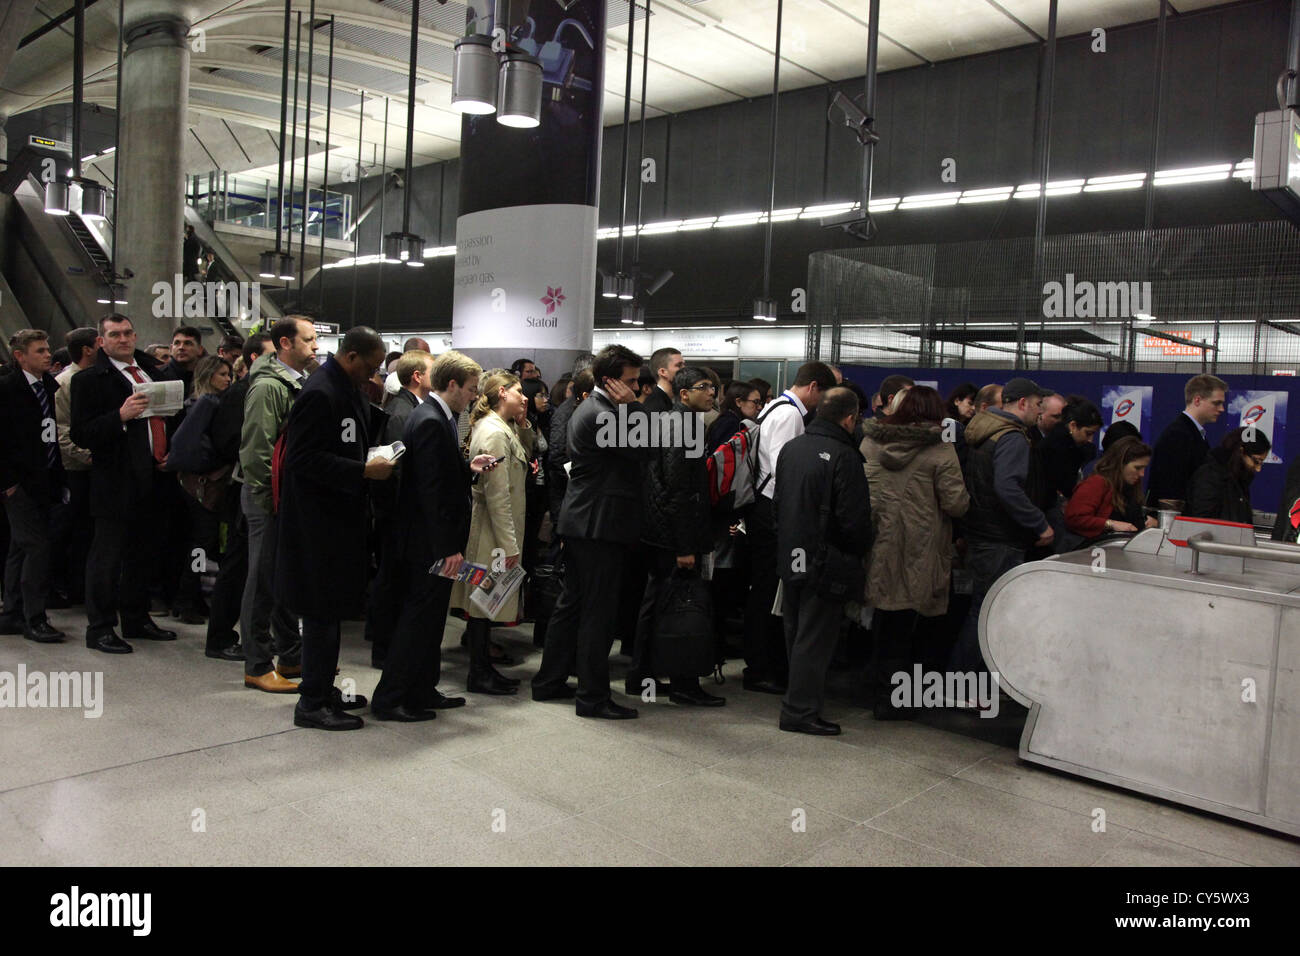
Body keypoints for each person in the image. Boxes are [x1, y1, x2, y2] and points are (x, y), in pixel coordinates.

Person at [277, 327, 395, 731]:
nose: (375, 374)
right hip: (316, 525)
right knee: (321, 615)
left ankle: (321, 688)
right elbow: (303, 460)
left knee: (331, 614)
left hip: (339, 520)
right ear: (350, 356)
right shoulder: (320, 393)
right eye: (372, 365)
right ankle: (311, 702)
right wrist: (361, 469)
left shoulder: (346, 389)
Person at [371, 351, 497, 720]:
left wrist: (466, 468)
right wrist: (447, 549)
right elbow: (429, 490)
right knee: (417, 621)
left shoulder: (437, 416)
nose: (474, 396)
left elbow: (439, 474)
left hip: (431, 542)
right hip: (429, 545)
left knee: (430, 622)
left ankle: (422, 689)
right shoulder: (429, 420)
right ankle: (391, 698)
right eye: (471, 389)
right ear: (452, 384)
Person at [532, 345, 653, 718]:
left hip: (588, 520)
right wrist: (632, 407)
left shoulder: (597, 409)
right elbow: (645, 449)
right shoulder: (604, 414)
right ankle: (592, 697)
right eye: (631, 382)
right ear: (609, 381)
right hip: (598, 523)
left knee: (573, 606)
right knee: (598, 613)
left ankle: (550, 681)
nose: (637, 389)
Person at [70, 315, 178, 653]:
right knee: (107, 556)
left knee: (144, 551)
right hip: (116, 479)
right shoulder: (90, 380)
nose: (123, 339)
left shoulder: (152, 371)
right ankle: (100, 627)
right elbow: (81, 434)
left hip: (155, 475)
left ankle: (136, 616)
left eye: (128, 332)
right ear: (101, 341)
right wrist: (119, 416)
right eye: (114, 334)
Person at [860, 386, 969, 720]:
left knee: (883, 617)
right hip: (921, 546)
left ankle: (876, 690)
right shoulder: (940, 449)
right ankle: (899, 699)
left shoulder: (869, 442)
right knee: (911, 622)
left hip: (878, 539)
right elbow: (956, 502)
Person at [775, 386, 872, 735]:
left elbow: (779, 502)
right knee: (815, 639)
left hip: (791, 554)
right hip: (825, 560)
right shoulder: (845, 456)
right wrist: (859, 551)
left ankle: (797, 701)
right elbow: (854, 521)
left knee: (796, 634)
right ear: (850, 418)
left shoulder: (792, 448)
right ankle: (800, 711)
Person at [628, 366, 725, 706]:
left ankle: (641, 676)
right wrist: (686, 546)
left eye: (713, 388)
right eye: (704, 388)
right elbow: (679, 490)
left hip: (660, 530)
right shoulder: (684, 426)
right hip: (675, 535)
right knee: (683, 607)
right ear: (684, 394)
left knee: (655, 605)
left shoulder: (671, 422)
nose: (711, 393)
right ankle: (684, 683)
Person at [948, 377, 1053, 683]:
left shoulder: (984, 430)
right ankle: (959, 683)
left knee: (982, 608)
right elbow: (1007, 487)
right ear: (1022, 403)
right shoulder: (1012, 437)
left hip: (981, 531)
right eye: (1037, 405)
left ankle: (965, 681)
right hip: (1001, 537)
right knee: (989, 613)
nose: (1040, 412)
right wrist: (1039, 522)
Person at [743, 361, 837, 695]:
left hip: (763, 506)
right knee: (767, 594)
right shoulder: (790, 415)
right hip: (770, 510)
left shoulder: (776, 408)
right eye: (825, 394)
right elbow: (788, 469)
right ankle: (760, 668)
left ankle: (760, 665)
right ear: (813, 387)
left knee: (765, 591)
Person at [238, 316, 315, 692]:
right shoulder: (268, 386)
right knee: (262, 578)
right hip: (266, 494)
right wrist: (269, 498)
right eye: (309, 339)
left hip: (282, 494)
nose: (315, 346)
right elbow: (256, 449)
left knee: (281, 575)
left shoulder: (294, 381)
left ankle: (291, 655)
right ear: (286, 343)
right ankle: (256, 663)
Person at [451, 370, 530, 694]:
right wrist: (510, 546)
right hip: (492, 536)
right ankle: (479, 673)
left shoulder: (504, 427)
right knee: (483, 604)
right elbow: (497, 496)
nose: (524, 397)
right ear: (501, 394)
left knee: (485, 604)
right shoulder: (494, 433)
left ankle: (483, 668)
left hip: (495, 532)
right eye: (518, 391)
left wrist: (523, 424)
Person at [203, 333, 273, 661]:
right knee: (237, 565)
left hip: (252, 485)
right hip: (241, 488)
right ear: (255, 358)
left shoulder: (263, 390)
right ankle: (219, 636)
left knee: (250, 567)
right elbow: (228, 442)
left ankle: (248, 634)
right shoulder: (242, 393)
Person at [366, 349, 435, 669]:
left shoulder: (413, 409)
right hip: (395, 515)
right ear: (417, 376)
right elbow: (394, 470)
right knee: (391, 578)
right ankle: (384, 646)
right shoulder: (402, 413)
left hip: (400, 514)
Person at [0, 330, 67, 643]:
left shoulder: (49, 386)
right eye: (39, 350)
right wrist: (9, 484)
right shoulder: (7, 389)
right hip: (18, 483)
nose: (47, 354)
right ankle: (34, 617)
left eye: (47, 348)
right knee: (37, 548)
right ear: (20, 356)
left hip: (44, 479)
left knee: (20, 548)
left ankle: (12, 612)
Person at [166, 355, 233, 624]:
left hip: (196, 482)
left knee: (201, 544)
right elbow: (185, 443)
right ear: (208, 377)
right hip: (201, 485)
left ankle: (189, 597)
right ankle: (187, 598)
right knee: (201, 544)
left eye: (229, 374)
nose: (227, 379)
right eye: (222, 375)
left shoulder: (201, 403)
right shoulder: (206, 403)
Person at [48, 327, 99, 608]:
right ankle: (61, 584)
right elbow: (61, 430)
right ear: (88, 349)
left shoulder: (97, 379)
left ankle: (79, 586)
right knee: (69, 531)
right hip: (74, 469)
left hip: (92, 469)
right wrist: (88, 456)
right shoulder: (66, 383)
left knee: (86, 533)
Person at [1146, 374, 1228, 506]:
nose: (1221, 409)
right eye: (1216, 403)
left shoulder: (1192, 433)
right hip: (1175, 520)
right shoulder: (1177, 435)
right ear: (1197, 400)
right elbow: (1169, 485)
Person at [1065, 437, 1156, 546]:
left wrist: (1146, 522)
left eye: (1144, 468)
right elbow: (1074, 518)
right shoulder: (1097, 483)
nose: (1142, 474)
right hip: (1097, 551)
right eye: (1137, 468)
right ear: (1120, 464)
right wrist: (1110, 524)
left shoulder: (1129, 486)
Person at [1184, 427, 1270, 525]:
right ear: (1241, 451)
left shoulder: (1238, 478)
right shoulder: (1210, 476)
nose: (1258, 469)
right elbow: (1201, 522)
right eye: (1256, 461)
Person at [1036, 396, 1102, 505]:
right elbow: (1067, 487)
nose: (1090, 440)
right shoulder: (1058, 449)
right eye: (1088, 433)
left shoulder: (1068, 445)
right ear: (1073, 426)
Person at [164, 326, 204, 397]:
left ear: (200, 350)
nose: (181, 347)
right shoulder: (158, 375)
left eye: (187, 343)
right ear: (170, 349)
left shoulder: (207, 376)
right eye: (177, 343)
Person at [643, 347, 683, 414]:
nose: (684, 369)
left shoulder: (668, 399)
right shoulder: (655, 405)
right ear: (663, 372)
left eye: (684, 365)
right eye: (679, 365)